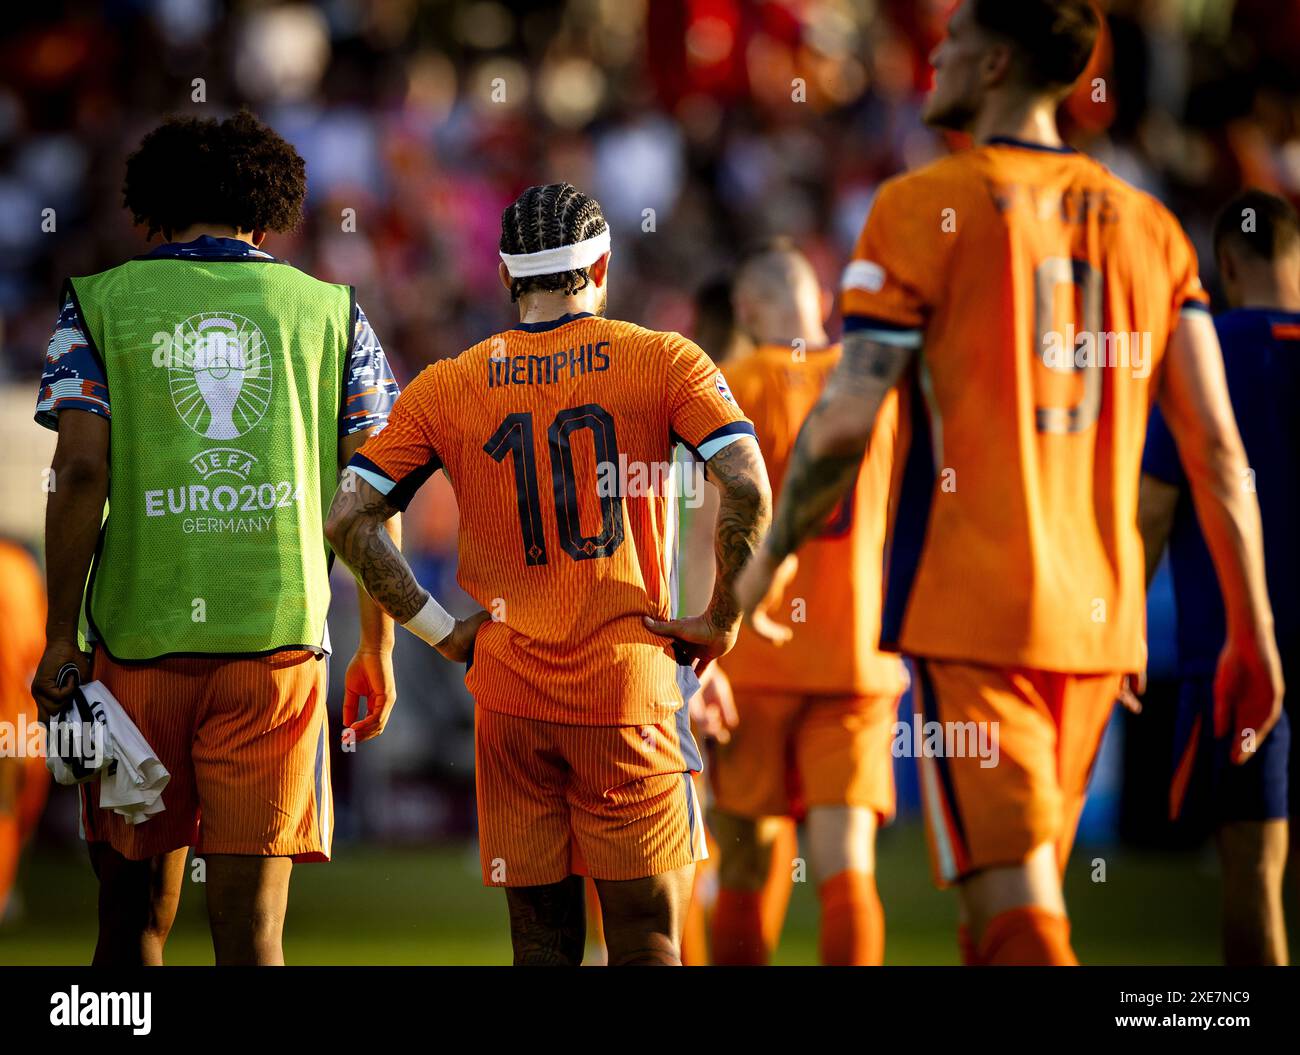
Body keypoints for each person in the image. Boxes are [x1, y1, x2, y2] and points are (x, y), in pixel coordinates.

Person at [736, 0, 1283, 966]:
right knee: (1002, 913)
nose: (932, 53)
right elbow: (1218, 454)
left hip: (977, 620)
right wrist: (1254, 630)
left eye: (950, 40)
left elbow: (848, 420)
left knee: (1021, 915)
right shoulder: (1154, 229)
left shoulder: (918, 207)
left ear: (993, 65)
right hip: (1100, 634)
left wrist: (766, 563)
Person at [325, 181, 771, 965]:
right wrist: (722, 618)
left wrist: (440, 632)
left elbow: (346, 516)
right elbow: (749, 483)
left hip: (509, 695)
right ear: (601, 265)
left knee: (540, 946)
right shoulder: (663, 357)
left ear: (505, 278)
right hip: (626, 687)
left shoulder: (448, 383)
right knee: (650, 939)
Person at [30, 111, 400, 966]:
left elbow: (80, 473)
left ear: (151, 206)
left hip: (134, 651)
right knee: (252, 935)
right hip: (277, 651)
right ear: (269, 212)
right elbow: (372, 493)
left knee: (129, 926)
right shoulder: (334, 312)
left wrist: (58, 637)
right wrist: (376, 643)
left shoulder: (99, 302)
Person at [696, 240, 907, 965]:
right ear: (818, 300)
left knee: (745, 868)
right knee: (847, 866)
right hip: (855, 655)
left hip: (750, 663)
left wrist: (701, 644)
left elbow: (701, 531)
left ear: (748, 310)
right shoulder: (876, 384)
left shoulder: (730, 382)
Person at [1139, 189, 1298, 965]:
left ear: (1226, 264)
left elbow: (1152, 511)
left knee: (1254, 872)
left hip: (1230, 655)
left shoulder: (1197, 357)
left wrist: (1119, 623)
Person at [0, 541, 49, 924]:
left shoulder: (16, 569)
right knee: (10, 807)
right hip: (18, 717)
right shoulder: (18, 569)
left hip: (17, 713)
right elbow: (38, 648)